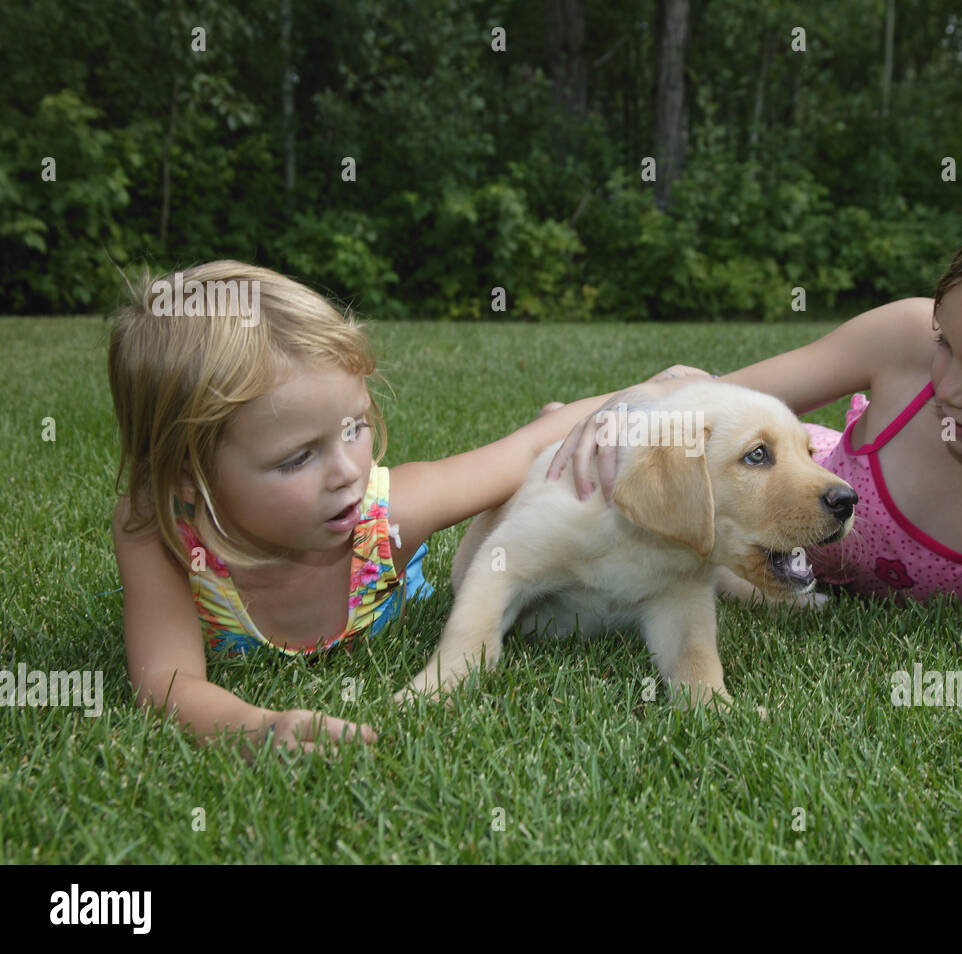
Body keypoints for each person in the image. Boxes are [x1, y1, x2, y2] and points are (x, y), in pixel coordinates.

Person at [547, 168, 962, 770]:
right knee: (628, 456)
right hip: (781, 483)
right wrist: (618, 412)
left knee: (704, 569)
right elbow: (719, 396)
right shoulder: (905, 341)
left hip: (784, 575)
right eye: (947, 345)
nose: (949, 386)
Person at [108, 260, 693, 758]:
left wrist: (654, 399)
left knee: (553, 467)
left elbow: (518, 455)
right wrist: (260, 728)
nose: (346, 472)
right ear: (187, 473)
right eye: (296, 458)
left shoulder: (385, 518)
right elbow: (166, 682)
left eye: (354, 427)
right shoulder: (158, 529)